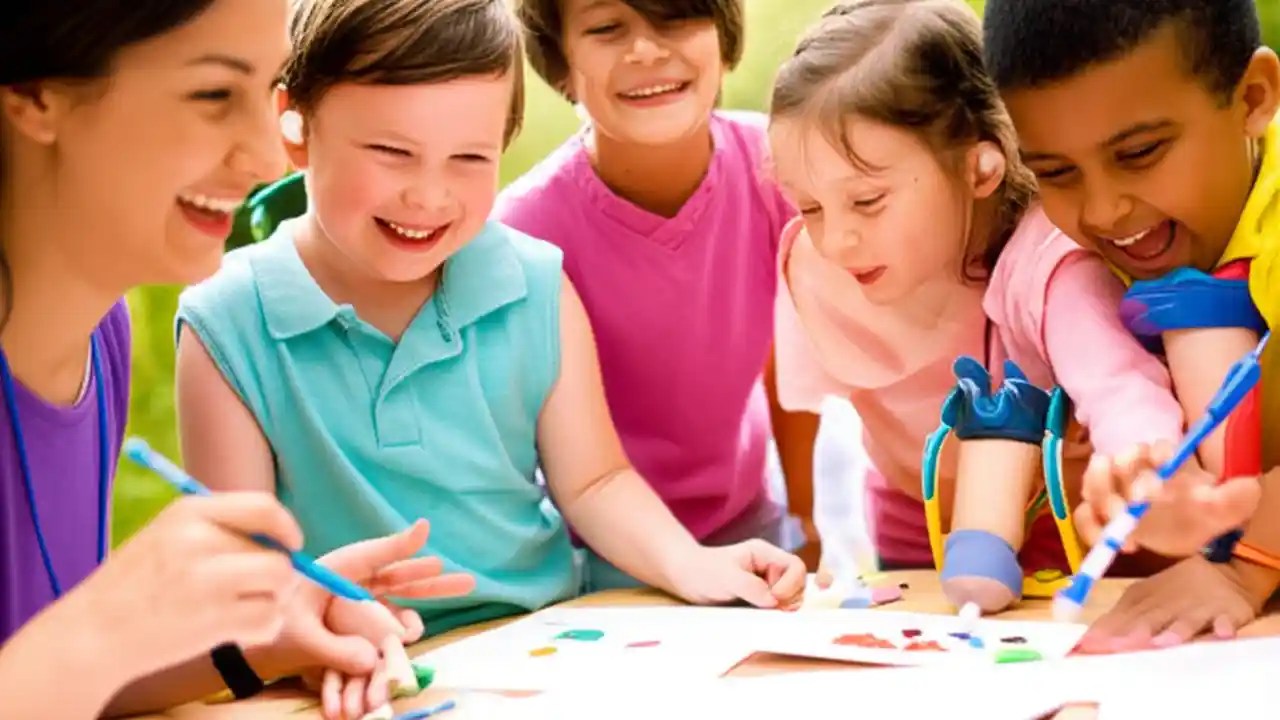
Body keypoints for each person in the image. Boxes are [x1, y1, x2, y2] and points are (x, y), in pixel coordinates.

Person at [173, 0, 806, 691]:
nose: (429, 195)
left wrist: (693, 563)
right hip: (348, 665)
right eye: (391, 153)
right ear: (295, 127)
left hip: (546, 637)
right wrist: (313, 641)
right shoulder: (225, 324)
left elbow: (595, 481)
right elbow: (246, 571)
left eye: (470, 158)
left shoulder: (533, 282)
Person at [0, 3, 474, 719]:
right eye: (214, 95)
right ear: (35, 95)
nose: (263, 156)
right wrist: (102, 625)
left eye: (268, 91)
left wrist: (261, 636)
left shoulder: (100, 336)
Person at [767, 0, 1186, 610]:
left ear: (980, 167)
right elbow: (802, 397)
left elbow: (1120, 388)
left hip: (1090, 541)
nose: (835, 239)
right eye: (808, 206)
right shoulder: (816, 266)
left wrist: (1141, 468)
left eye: (867, 201)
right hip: (920, 532)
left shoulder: (1047, 264)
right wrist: (802, 522)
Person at [491, 0, 820, 588]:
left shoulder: (777, 172)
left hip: (745, 526)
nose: (645, 49)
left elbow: (792, 359)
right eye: (606, 28)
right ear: (561, 62)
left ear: (722, 36)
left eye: (673, 16)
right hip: (593, 555)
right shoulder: (524, 230)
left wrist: (803, 512)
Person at [984, 0, 1280, 649]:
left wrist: (1244, 567)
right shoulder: (1068, 260)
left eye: (1140, 152)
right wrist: (1148, 478)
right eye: (1056, 173)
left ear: (1253, 98)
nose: (1105, 210)